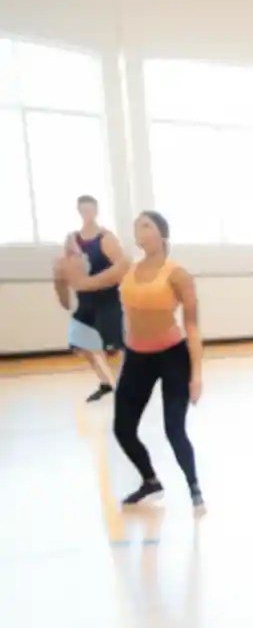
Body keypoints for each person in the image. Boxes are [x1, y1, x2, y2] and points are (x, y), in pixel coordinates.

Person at [76, 211, 204, 513]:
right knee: (122, 428)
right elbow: (90, 282)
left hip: (172, 356)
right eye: (136, 226)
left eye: (146, 225)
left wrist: (196, 374)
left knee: (174, 429)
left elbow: (193, 327)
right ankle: (150, 480)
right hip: (137, 357)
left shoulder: (177, 274)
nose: (139, 230)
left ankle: (194, 487)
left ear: (161, 233)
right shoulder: (126, 270)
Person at [53, 195, 129, 402]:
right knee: (82, 343)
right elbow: (67, 269)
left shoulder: (106, 238)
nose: (86, 214)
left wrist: (94, 282)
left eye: (90, 210)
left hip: (107, 301)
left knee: (112, 349)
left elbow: (121, 269)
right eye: (83, 210)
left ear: (96, 211)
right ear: (79, 212)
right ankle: (106, 383)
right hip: (85, 302)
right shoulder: (72, 239)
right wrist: (63, 292)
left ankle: (124, 388)